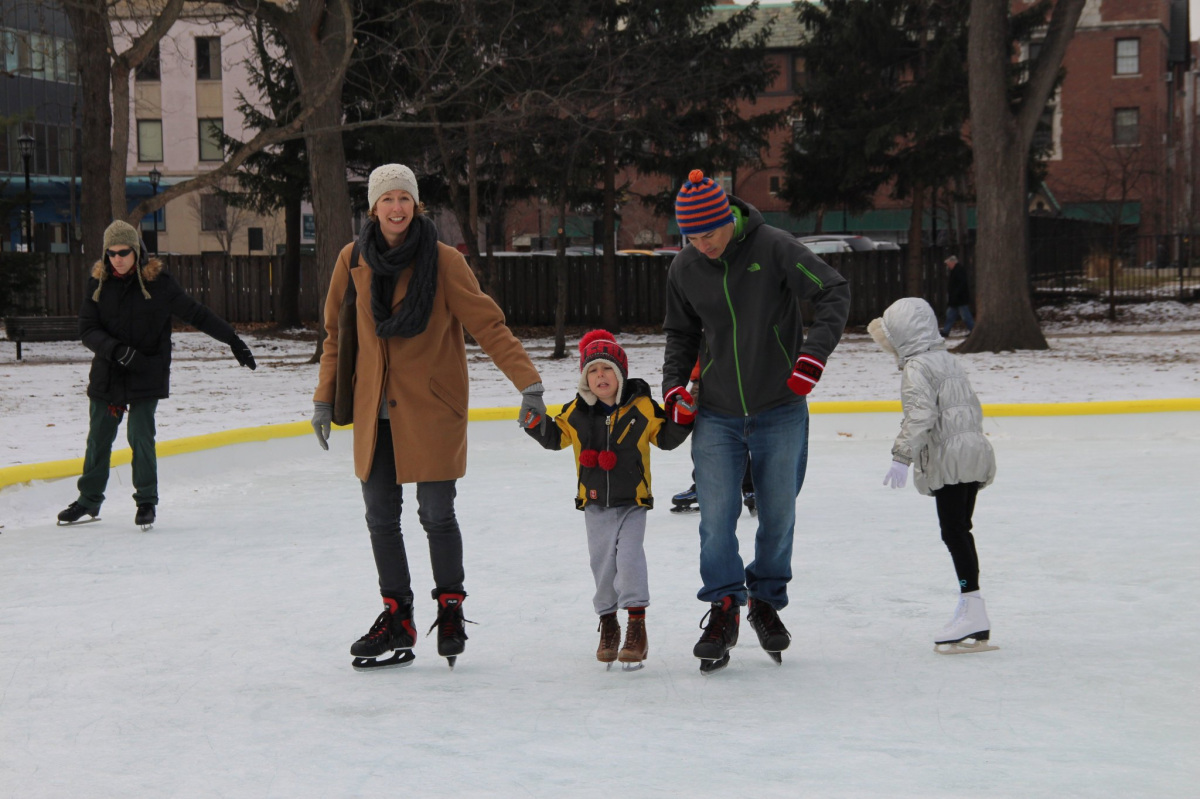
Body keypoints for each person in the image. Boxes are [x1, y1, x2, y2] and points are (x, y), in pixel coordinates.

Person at [312, 163, 545, 670]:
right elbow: (336, 335)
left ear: (415, 205)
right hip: (375, 411)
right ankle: (398, 616)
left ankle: (451, 609)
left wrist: (528, 383)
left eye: (404, 198)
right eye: (387, 199)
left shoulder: (443, 261)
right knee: (381, 517)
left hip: (433, 407)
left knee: (436, 513)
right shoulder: (352, 259)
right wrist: (324, 398)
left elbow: (488, 324)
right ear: (373, 208)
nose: (396, 207)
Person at [662, 169, 850, 672]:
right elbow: (680, 334)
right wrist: (674, 389)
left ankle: (765, 600)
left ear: (728, 218)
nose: (702, 245)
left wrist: (812, 356)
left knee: (778, 514)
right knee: (715, 519)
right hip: (717, 413)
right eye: (691, 237)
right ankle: (724, 606)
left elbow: (834, 291)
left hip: (780, 407)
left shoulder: (774, 247)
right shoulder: (684, 268)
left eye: (709, 233)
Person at [56, 220, 257, 529]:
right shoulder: (98, 283)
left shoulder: (159, 283)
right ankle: (88, 500)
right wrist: (116, 350)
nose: (117, 259)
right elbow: (87, 328)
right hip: (109, 372)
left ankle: (146, 501)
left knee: (140, 435)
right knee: (98, 438)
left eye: (124, 252)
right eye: (111, 253)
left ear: (136, 251)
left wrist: (232, 339)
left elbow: (196, 313)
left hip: (145, 370)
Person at [523, 330, 692, 669]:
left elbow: (666, 439)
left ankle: (637, 627)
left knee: (628, 560)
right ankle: (609, 623)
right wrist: (534, 422)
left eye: (607, 369)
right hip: (595, 503)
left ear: (621, 374)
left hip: (632, 502)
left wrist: (683, 417)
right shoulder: (576, 411)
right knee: (602, 565)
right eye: (593, 371)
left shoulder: (641, 407)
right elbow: (556, 438)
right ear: (585, 378)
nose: (600, 376)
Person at [869, 297, 997, 653]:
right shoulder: (948, 360)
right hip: (973, 451)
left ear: (901, 335)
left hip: (951, 458)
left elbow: (920, 414)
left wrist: (901, 456)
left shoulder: (917, 367)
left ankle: (973, 610)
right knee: (960, 531)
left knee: (954, 532)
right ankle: (974, 610)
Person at [940, 255, 975, 337]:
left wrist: (955, 294)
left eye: (948, 263)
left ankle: (973, 330)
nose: (948, 265)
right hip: (955, 299)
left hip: (960, 299)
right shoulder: (956, 270)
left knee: (965, 316)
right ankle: (946, 331)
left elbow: (961, 285)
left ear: (952, 262)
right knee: (950, 316)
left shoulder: (959, 270)